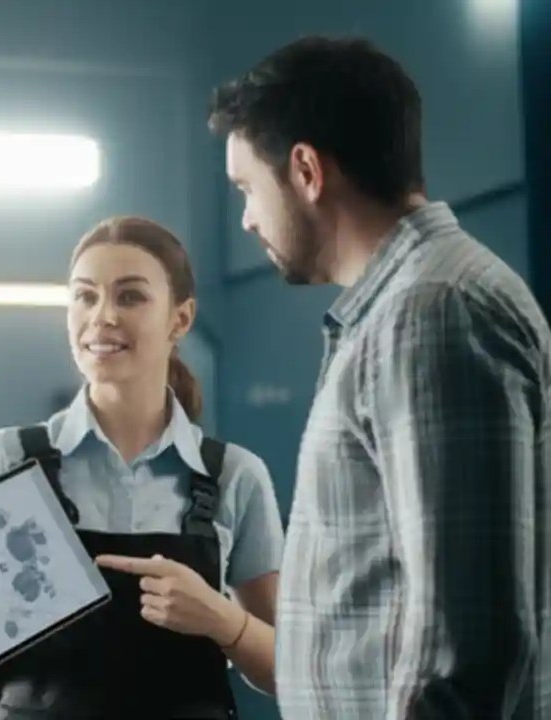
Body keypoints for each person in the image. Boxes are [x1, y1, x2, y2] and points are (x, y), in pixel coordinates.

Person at [208, 36, 551, 719]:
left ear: (305, 170)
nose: (246, 217)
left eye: (247, 188)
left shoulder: (431, 312)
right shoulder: (398, 311)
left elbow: (464, 648)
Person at [0, 216, 285, 719]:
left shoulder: (235, 476)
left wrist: (223, 622)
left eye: (130, 297)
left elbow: (288, 670)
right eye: (84, 296)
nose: (101, 316)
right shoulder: (10, 460)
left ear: (181, 319)